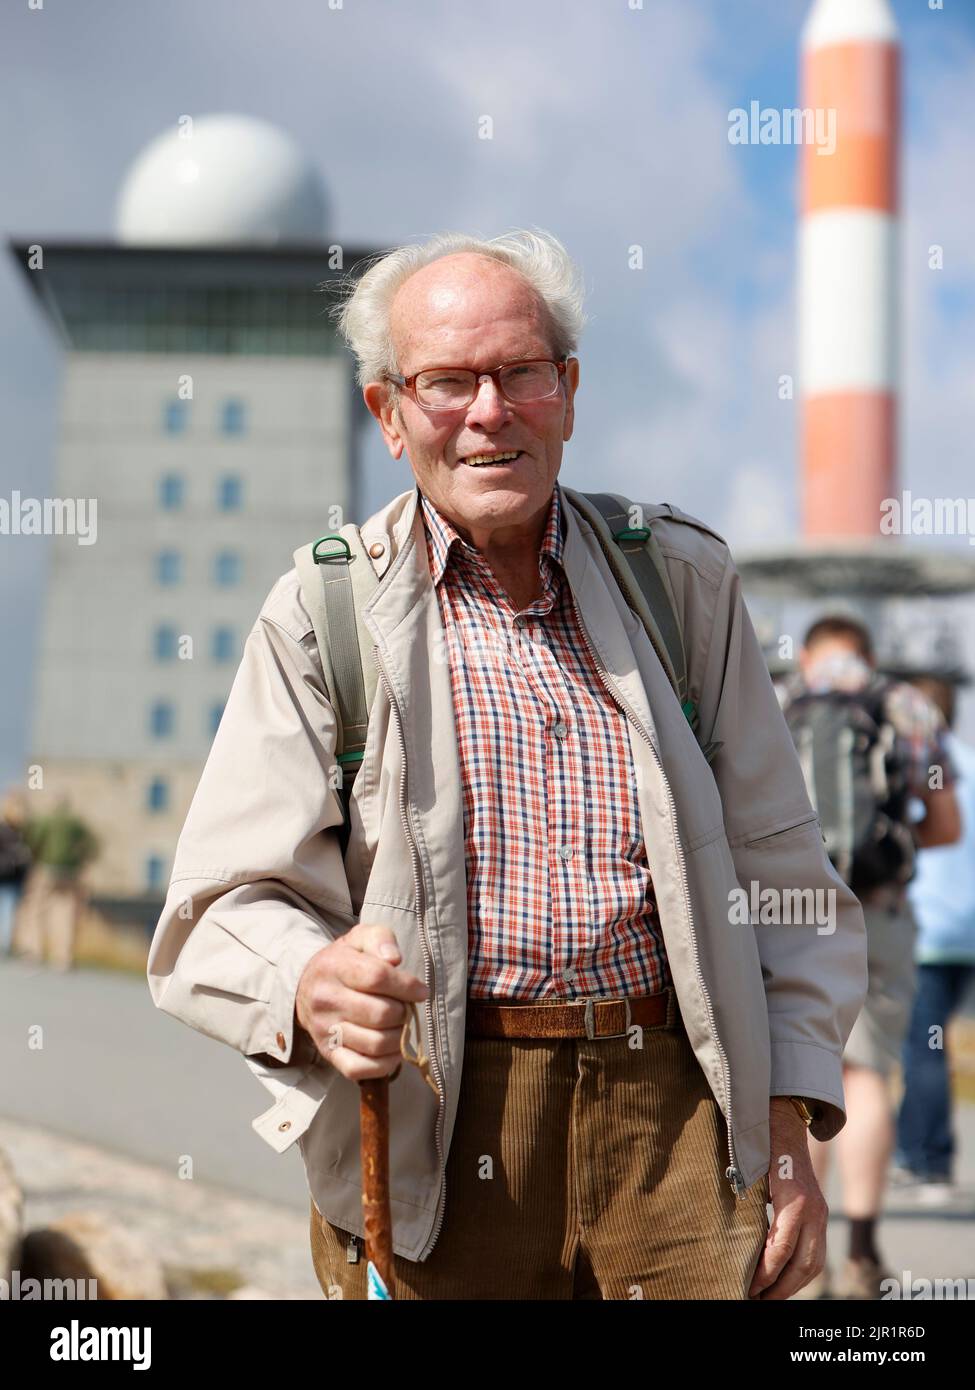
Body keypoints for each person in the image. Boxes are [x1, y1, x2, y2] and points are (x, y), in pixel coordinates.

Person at [147, 228, 867, 1301]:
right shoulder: (321, 611)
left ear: (567, 392)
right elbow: (219, 905)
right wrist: (307, 977)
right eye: (446, 381)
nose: (489, 411)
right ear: (388, 414)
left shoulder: (680, 582)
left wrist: (786, 1130)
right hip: (436, 1120)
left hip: (676, 1119)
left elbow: (785, 874)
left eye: (520, 372)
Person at [780, 617, 961, 1298]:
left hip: (789, 912)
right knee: (865, 1073)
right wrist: (893, 841)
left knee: (806, 1079)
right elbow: (945, 824)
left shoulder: (776, 695)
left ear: (806, 651)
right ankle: (860, 1250)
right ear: (868, 652)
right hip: (878, 911)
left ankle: (805, 1247)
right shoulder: (904, 704)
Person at [893, 675, 975, 1200]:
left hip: (927, 931)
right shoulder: (970, 759)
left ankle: (928, 1159)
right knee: (932, 1041)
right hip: (968, 931)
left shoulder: (925, 771)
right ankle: (914, 1148)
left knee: (922, 1047)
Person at [17, 798, 99, 971]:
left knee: (36, 911)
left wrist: (35, 859)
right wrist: (81, 861)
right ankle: (63, 957)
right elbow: (91, 844)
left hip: (46, 869)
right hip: (70, 872)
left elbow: (33, 842)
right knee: (66, 914)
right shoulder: (76, 824)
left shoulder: (46, 821)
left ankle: (34, 951)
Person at [0, 790, 32, 957]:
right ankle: (5, 946)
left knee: (7, 910)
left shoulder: (22, 831)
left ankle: (5, 945)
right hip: (10, 875)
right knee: (7, 910)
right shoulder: (18, 832)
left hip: (13, 876)